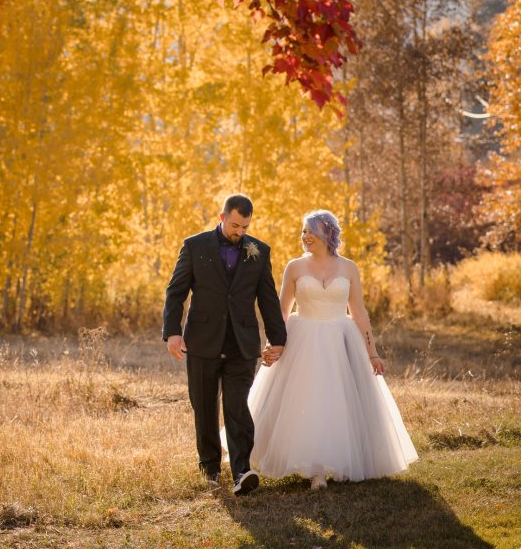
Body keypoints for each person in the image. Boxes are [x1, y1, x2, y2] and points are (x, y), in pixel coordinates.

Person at [247, 210, 418, 489]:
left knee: (336, 400)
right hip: (303, 340)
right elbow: (281, 313)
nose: (305, 237)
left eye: (310, 231)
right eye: (303, 232)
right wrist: (272, 345)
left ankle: (335, 462)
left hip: (341, 339)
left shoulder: (348, 268)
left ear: (326, 233)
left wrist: (372, 352)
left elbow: (359, 312)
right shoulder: (295, 267)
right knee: (306, 399)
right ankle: (313, 468)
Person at [162, 194, 287, 495]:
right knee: (204, 406)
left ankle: (242, 471)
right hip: (201, 341)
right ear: (222, 217)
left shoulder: (260, 251)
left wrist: (278, 339)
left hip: (241, 344)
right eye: (235, 225)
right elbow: (175, 291)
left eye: (245, 227)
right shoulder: (194, 246)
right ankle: (210, 469)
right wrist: (172, 332)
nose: (240, 232)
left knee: (237, 406)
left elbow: (268, 299)